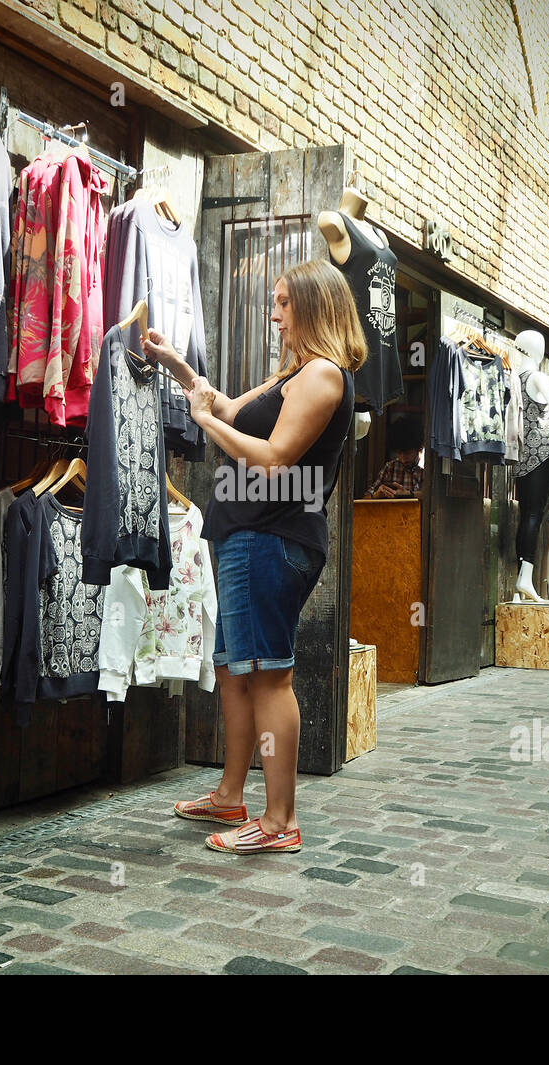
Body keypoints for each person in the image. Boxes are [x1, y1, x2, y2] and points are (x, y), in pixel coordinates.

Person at [142, 259, 362, 854]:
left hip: (274, 537)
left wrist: (207, 423)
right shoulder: (293, 375)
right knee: (234, 675)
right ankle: (230, 796)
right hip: (246, 535)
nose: (275, 314)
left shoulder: (323, 377)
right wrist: (176, 366)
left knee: (268, 676)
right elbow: (225, 405)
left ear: (314, 306)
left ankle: (280, 822)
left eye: (285, 302)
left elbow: (271, 459)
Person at [365, 416, 423, 498]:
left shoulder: (426, 470)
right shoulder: (390, 468)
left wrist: (409, 495)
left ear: (419, 449)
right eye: (399, 453)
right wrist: (376, 495)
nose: (403, 459)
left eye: (407, 453)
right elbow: (365, 499)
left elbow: (434, 497)